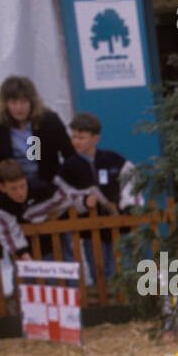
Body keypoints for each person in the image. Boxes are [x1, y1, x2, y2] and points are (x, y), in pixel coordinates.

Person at [54, 112, 141, 286]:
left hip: (120, 227)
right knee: (100, 272)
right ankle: (107, 307)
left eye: (82, 137)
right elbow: (62, 196)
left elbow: (131, 182)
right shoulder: (68, 167)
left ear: (95, 138)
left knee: (126, 269)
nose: (76, 141)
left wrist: (128, 206)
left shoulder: (114, 159)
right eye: (74, 137)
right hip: (91, 232)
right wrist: (83, 202)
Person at [0, 158, 81, 264]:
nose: (20, 192)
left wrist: (84, 202)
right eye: (13, 188)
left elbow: (66, 199)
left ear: (26, 180)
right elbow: (7, 231)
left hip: (50, 244)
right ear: (2, 187)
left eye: (22, 186)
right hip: (22, 255)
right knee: (23, 278)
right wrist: (23, 254)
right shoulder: (1, 205)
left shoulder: (41, 189)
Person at [0, 76, 74, 185]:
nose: (19, 108)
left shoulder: (50, 122)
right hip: (13, 190)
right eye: (14, 103)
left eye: (23, 102)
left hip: (48, 185)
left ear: (32, 102)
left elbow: (70, 154)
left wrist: (61, 179)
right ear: (5, 104)